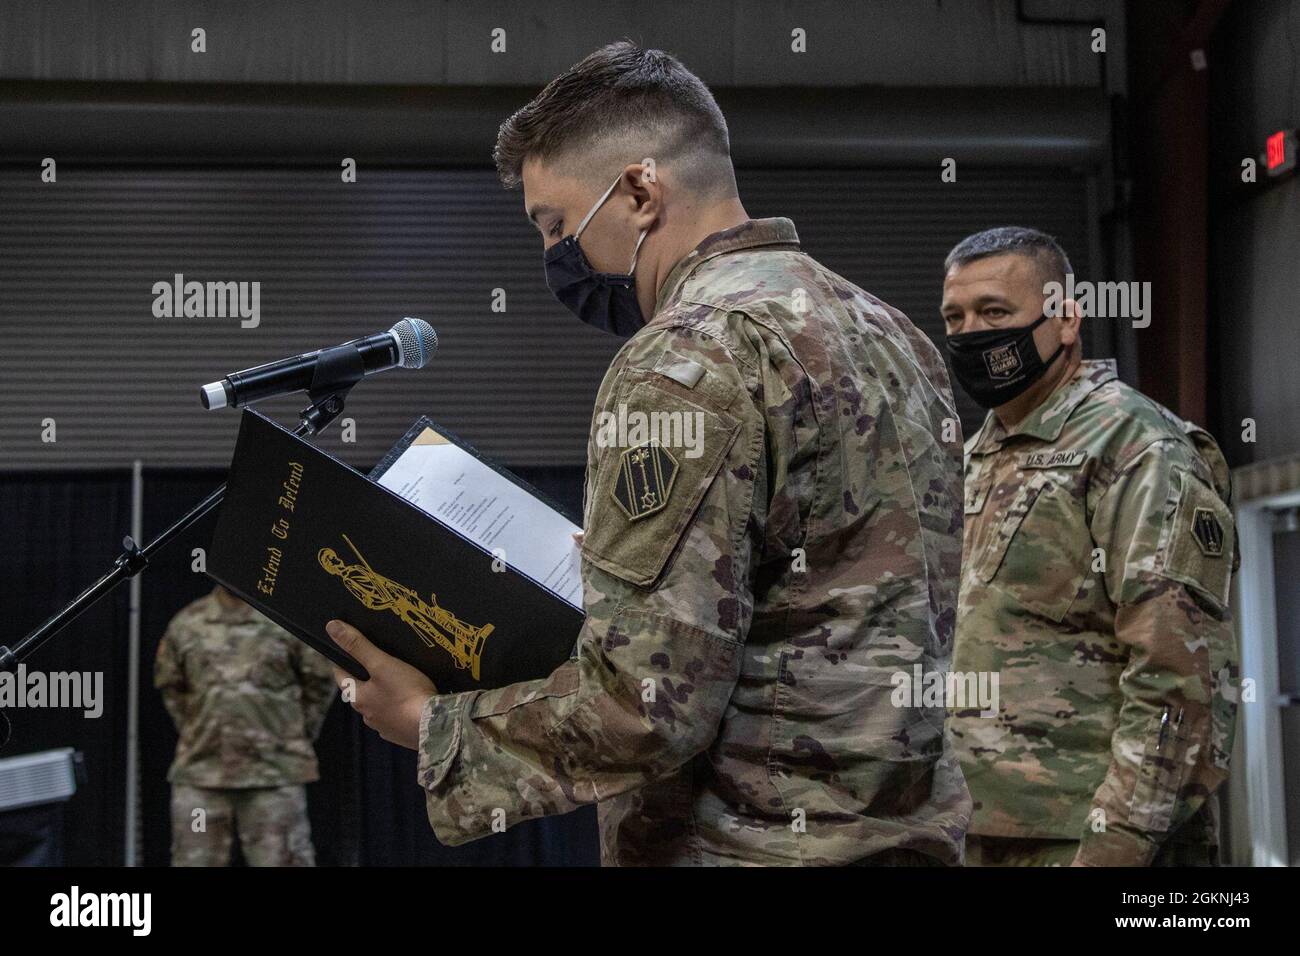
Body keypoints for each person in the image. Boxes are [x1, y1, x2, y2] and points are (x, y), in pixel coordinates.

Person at [327, 40, 970, 866]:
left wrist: (429, 726)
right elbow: (843, 594)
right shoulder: (897, 336)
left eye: (556, 225)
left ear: (637, 189)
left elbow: (647, 705)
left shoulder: (684, 359)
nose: (555, 258)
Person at [940, 226, 1239, 866]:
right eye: (955, 317)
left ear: (1067, 319)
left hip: (1099, 844)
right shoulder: (972, 460)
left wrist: (1117, 847)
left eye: (995, 312)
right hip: (981, 836)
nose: (971, 334)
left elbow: (1178, 677)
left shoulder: (1138, 447)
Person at [154, 584, 336, 866]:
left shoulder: (286, 618)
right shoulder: (188, 622)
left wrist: (292, 735)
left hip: (274, 774)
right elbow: (170, 686)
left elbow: (321, 682)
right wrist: (200, 732)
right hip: (202, 774)